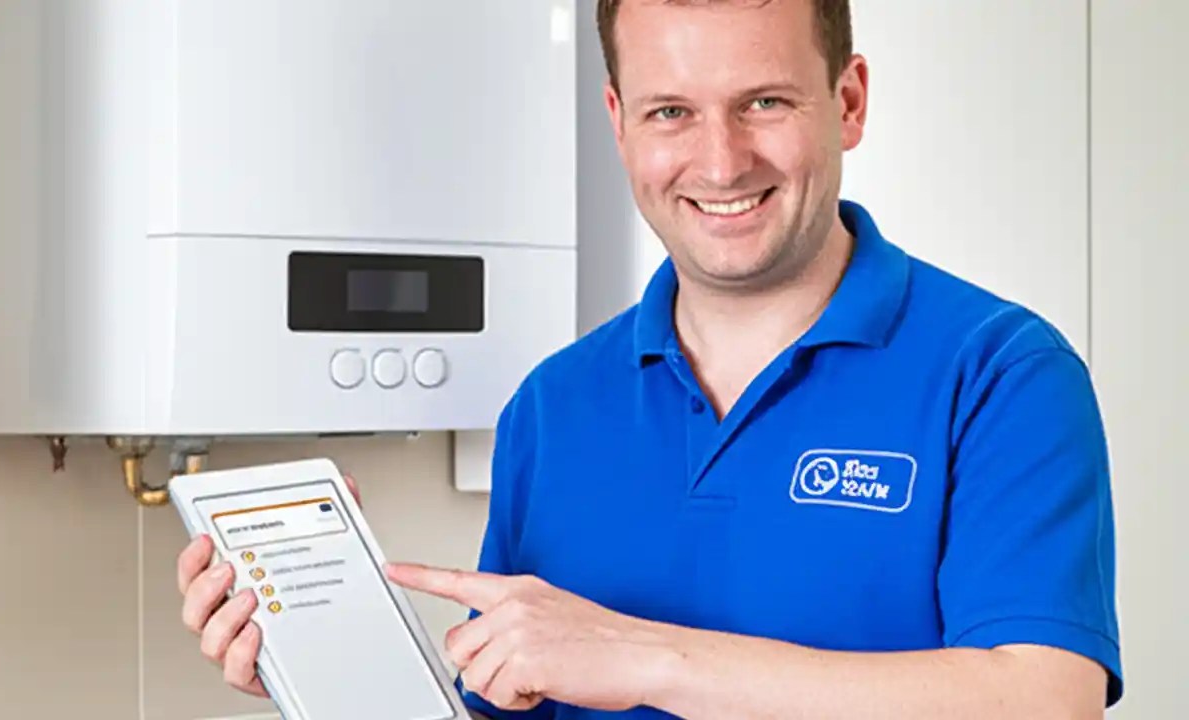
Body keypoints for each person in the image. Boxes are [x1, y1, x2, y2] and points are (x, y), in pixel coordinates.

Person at [176, 0, 1123, 717]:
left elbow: (1044, 695)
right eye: (672, 112)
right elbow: (524, 695)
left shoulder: (1001, 374)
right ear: (619, 118)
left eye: (763, 102)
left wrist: (643, 656)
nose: (719, 162)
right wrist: (324, 664)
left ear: (849, 101)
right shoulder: (553, 406)